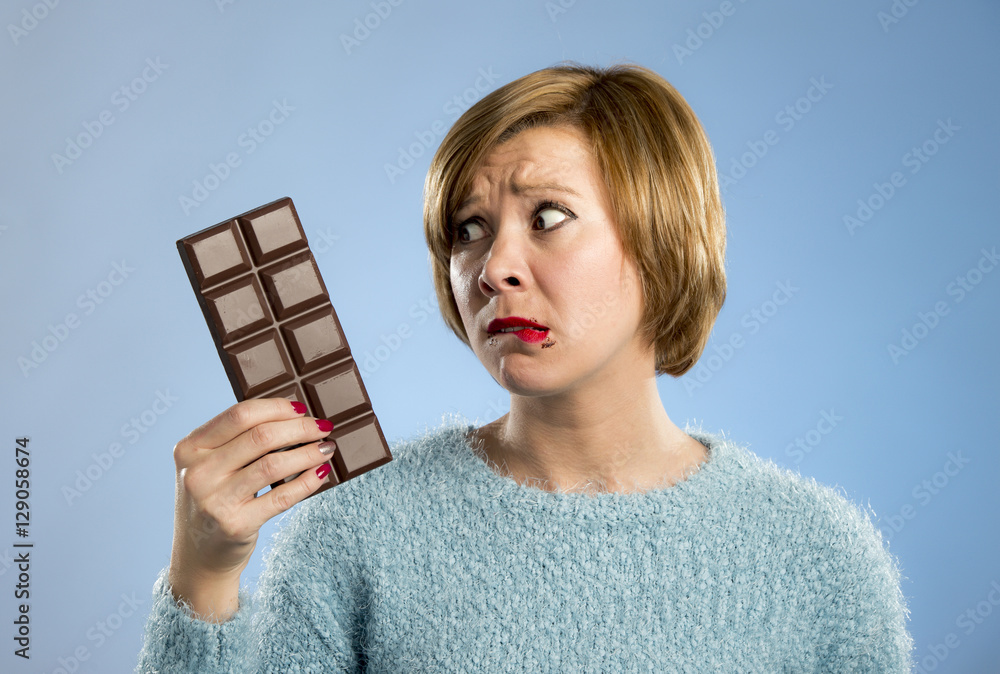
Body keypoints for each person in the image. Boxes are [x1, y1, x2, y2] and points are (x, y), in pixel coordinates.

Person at [136, 62, 914, 672]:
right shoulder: (355, 532)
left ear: (662, 237)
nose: (493, 265)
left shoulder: (820, 556)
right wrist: (203, 579)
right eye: (469, 229)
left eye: (548, 217)